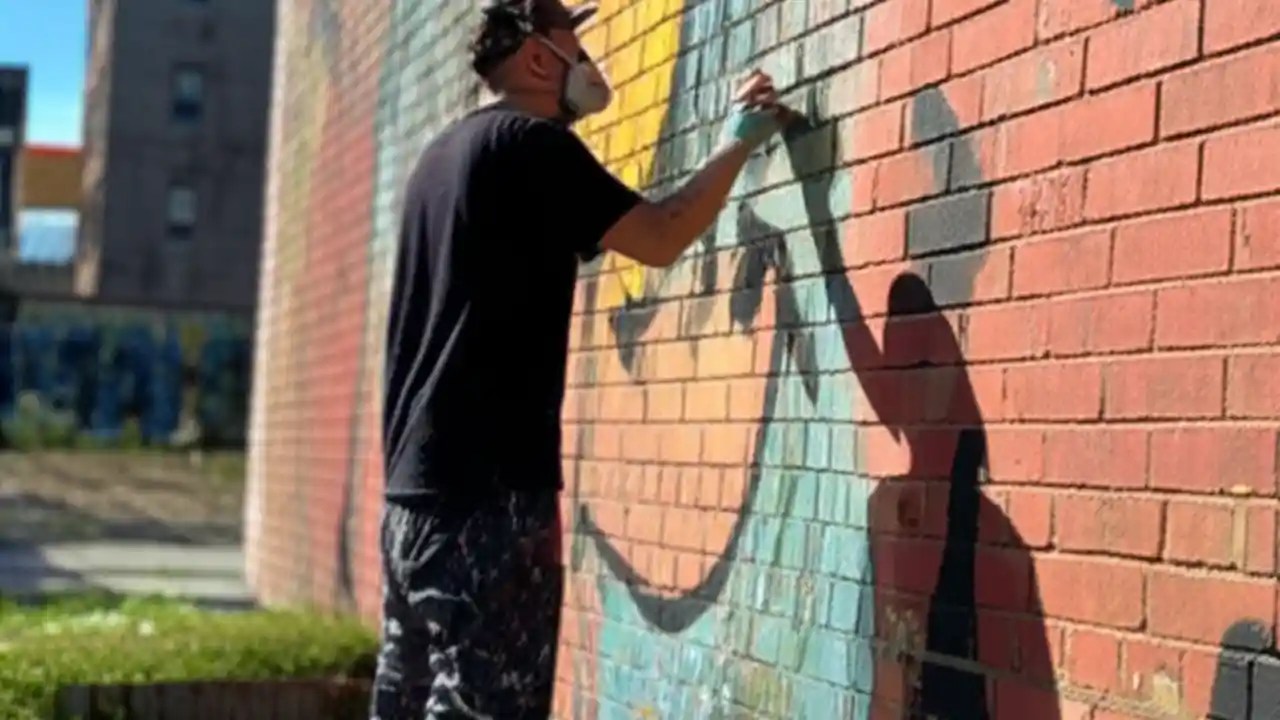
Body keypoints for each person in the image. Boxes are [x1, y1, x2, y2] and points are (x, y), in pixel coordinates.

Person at [373, 0, 791, 717]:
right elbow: (660, 236)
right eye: (578, 41)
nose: (589, 61)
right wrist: (737, 141)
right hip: (489, 503)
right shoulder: (532, 146)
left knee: (406, 703)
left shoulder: (439, 159)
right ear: (540, 58)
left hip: (411, 505)